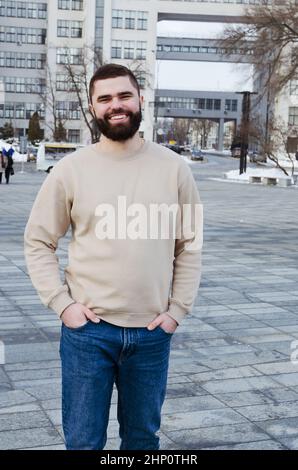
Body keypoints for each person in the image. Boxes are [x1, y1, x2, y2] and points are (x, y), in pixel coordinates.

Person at [24, 64, 203, 451]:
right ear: (92, 107)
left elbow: (190, 245)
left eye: (124, 95)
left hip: (152, 334)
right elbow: (38, 241)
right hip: (89, 332)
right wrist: (62, 304)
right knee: (84, 442)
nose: (115, 105)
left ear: (140, 99)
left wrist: (177, 312)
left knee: (142, 441)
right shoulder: (70, 170)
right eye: (104, 99)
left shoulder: (175, 169)